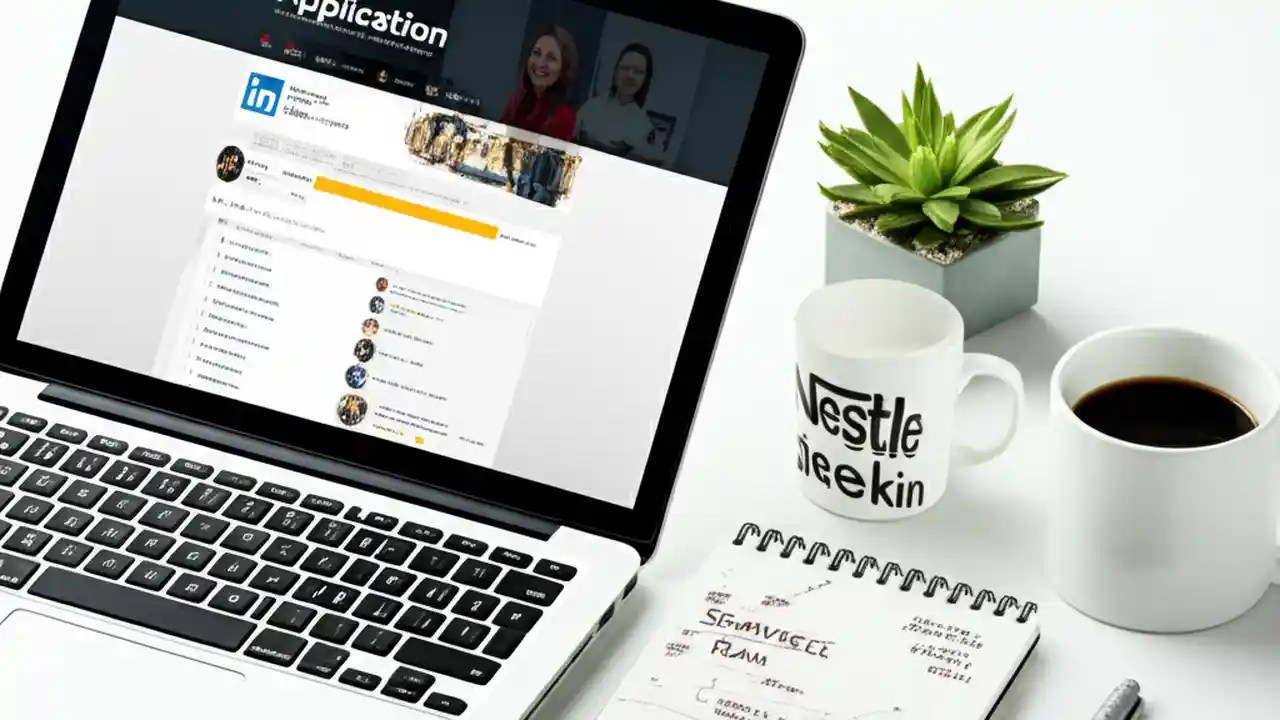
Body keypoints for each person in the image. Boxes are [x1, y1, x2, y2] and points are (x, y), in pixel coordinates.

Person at [575, 44, 661, 162]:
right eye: (625, 68)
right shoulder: (590, 108)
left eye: (638, 72)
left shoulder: (644, 128)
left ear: (645, 79)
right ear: (615, 71)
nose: (630, 75)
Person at [500, 25, 579, 141]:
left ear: (564, 69)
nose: (540, 63)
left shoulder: (565, 116)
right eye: (537, 53)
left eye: (551, 58)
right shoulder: (517, 99)